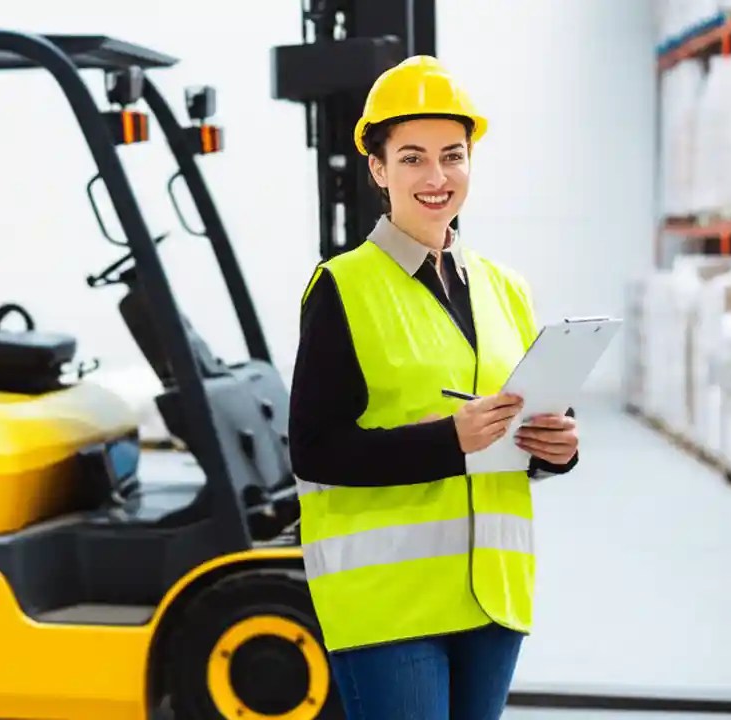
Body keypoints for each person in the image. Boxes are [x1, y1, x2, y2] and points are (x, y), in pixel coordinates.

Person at [288, 55, 580, 720]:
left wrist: (555, 448)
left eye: (453, 155)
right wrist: (447, 443)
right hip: (390, 604)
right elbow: (314, 450)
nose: (436, 176)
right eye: (413, 158)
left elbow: (521, 431)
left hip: (493, 594)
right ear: (378, 169)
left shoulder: (507, 286)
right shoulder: (343, 287)